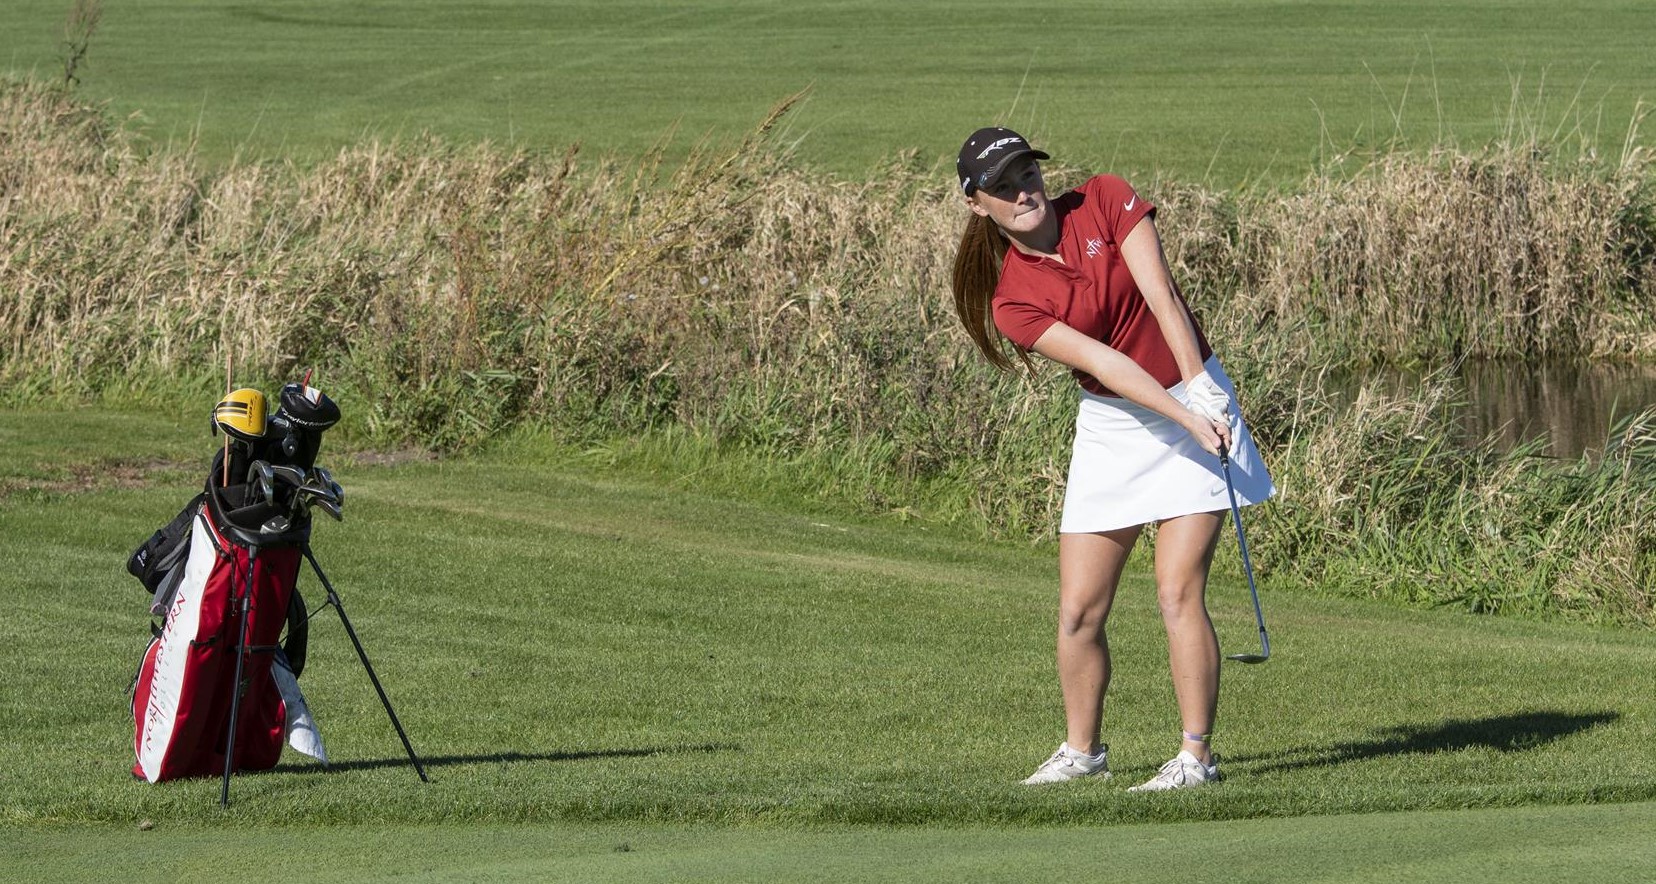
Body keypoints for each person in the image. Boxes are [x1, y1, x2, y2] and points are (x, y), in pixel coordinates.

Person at [950, 127, 1274, 791]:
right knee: (1078, 611)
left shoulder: (1105, 199)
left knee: (1176, 590)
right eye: (1003, 186)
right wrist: (1182, 414)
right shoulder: (1012, 300)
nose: (1022, 191)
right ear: (978, 204)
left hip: (1195, 391)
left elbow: (1163, 296)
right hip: (1117, 424)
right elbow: (1107, 363)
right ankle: (1083, 752)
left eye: (1026, 174)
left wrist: (1201, 391)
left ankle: (1194, 758)